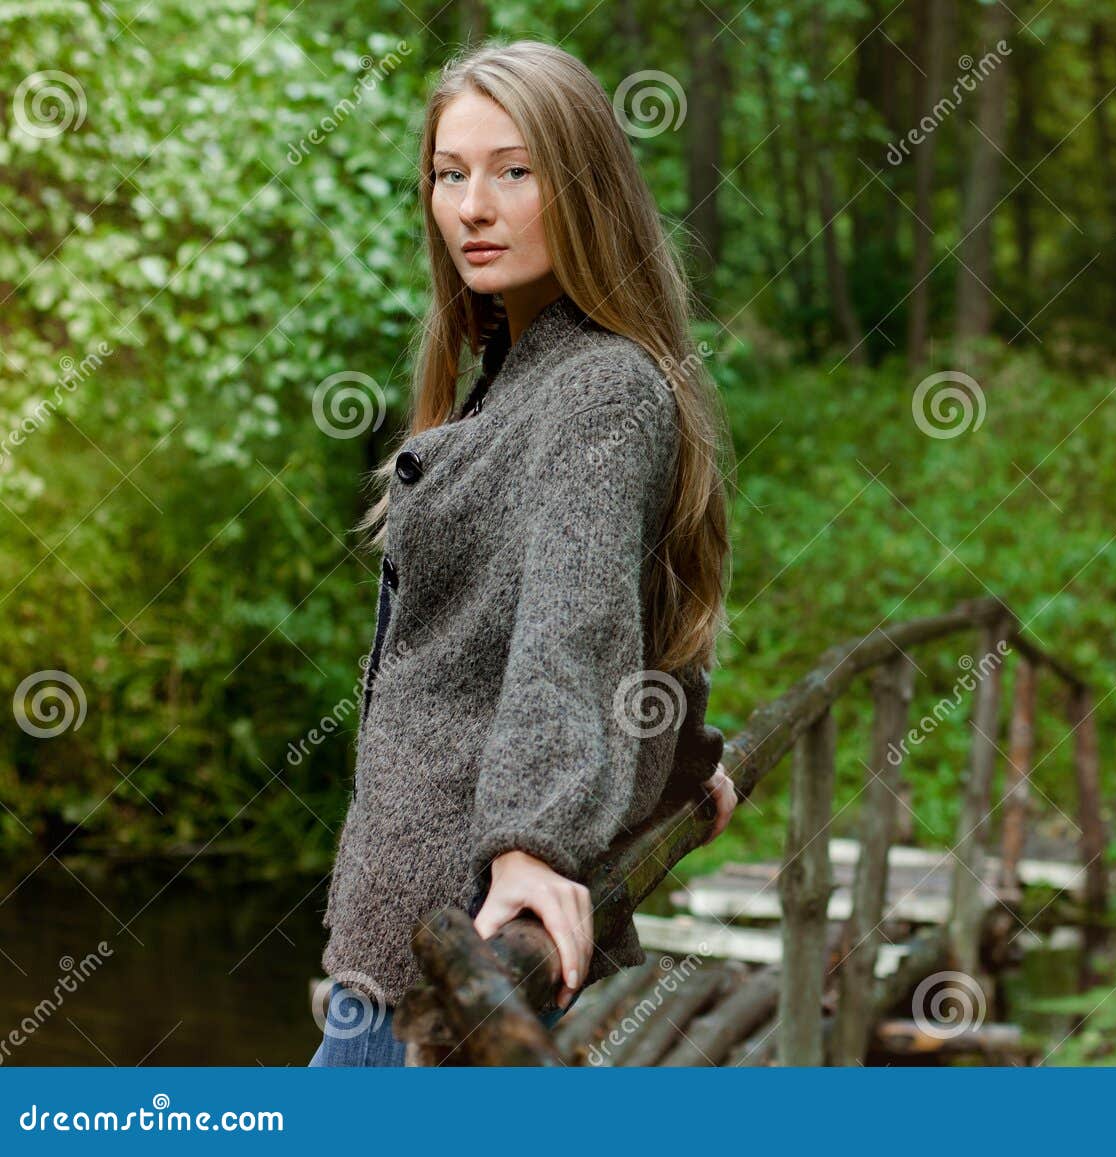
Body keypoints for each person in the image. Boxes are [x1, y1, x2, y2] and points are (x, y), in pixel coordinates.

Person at [309, 38, 736, 1067]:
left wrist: (529, 843)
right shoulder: (524, 370)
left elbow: (571, 617)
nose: (472, 206)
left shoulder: (596, 388)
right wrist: (684, 753)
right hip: (405, 928)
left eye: (513, 171)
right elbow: (630, 590)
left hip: (447, 939)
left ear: (585, 186)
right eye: (448, 174)